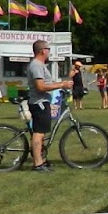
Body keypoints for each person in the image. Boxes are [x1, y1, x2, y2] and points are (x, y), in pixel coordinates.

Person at [26, 40, 73, 171]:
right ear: (42, 51)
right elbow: (40, 87)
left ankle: (42, 160)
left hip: (43, 102)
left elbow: (47, 83)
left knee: (42, 133)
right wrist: (61, 85)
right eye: (48, 49)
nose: (49, 52)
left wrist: (60, 85)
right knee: (39, 133)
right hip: (39, 103)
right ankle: (37, 164)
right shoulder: (36, 65)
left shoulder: (40, 65)